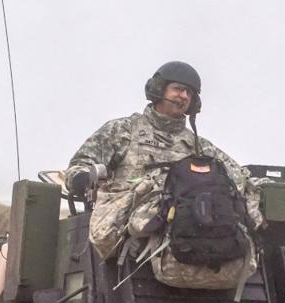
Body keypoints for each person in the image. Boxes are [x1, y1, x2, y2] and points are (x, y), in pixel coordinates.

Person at [63, 61, 263, 270]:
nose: (184, 96)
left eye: (190, 93)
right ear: (158, 90)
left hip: (184, 240)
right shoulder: (123, 131)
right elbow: (79, 167)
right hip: (129, 235)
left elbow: (239, 177)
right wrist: (84, 180)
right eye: (178, 89)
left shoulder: (199, 147)